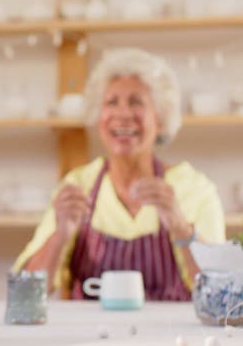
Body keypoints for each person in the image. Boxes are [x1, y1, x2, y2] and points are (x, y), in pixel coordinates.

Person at [14, 48, 225, 301]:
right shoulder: (78, 185)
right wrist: (60, 235)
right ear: (98, 115)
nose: (122, 114)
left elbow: (221, 291)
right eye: (111, 102)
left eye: (136, 102)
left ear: (160, 118)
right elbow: (25, 293)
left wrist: (180, 227)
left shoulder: (194, 187)